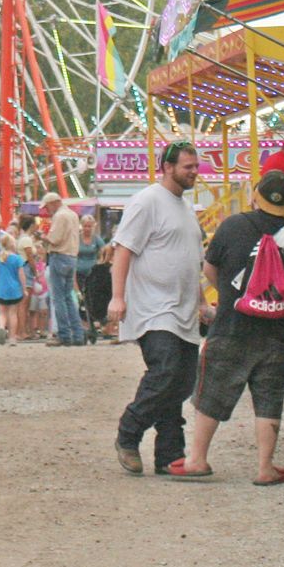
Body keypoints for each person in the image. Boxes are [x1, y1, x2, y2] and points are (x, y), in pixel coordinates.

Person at [178, 170, 284, 485]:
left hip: (232, 326)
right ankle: (265, 467)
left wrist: (230, 297)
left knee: (213, 391)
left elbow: (210, 268)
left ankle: (197, 459)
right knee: (269, 396)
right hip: (277, 333)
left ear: (255, 195)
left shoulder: (233, 225)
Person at [111, 141, 206, 477]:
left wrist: (203, 303)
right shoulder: (148, 201)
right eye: (188, 167)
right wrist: (117, 297)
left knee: (182, 381)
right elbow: (123, 250)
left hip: (184, 309)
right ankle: (129, 431)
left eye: (196, 166)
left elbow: (190, 261)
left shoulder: (186, 209)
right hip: (153, 307)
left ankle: (169, 454)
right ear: (167, 167)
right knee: (164, 371)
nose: (195, 172)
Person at [42, 193, 85, 346]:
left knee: (58, 298)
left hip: (59, 256)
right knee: (68, 297)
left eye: (47, 207)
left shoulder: (59, 216)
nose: (47, 210)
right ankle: (78, 334)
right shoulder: (73, 215)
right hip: (72, 257)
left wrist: (43, 237)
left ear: (54, 203)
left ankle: (64, 335)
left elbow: (55, 239)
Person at [77, 214, 106, 344]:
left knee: (91, 300)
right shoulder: (77, 239)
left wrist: (101, 263)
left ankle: (93, 325)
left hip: (92, 274)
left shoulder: (96, 239)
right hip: (79, 273)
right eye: (85, 226)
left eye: (89, 226)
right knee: (81, 301)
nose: (87, 228)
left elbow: (105, 250)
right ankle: (85, 326)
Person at [0, 234, 27, 344]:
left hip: (1, 289)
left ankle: (2, 327)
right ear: (13, 244)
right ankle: (12, 337)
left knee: (2, 313)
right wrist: (24, 288)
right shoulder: (17, 259)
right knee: (13, 313)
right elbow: (21, 275)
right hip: (14, 290)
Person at [85, 243, 115, 345]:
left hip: (97, 304)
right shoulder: (112, 269)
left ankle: (102, 327)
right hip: (108, 300)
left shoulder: (96, 269)